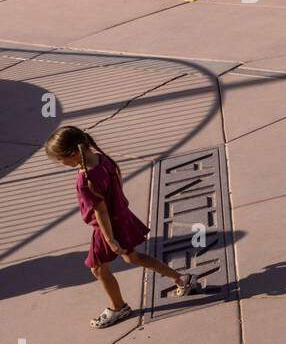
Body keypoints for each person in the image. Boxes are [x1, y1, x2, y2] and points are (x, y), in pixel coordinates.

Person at [45, 126, 194, 329]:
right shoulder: (102, 159)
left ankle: (118, 307)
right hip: (122, 216)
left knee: (97, 268)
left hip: (107, 228)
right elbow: (117, 186)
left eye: (60, 160)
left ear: (72, 154)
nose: (61, 164)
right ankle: (181, 279)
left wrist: (109, 239)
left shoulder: (85, 179)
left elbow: (100, 211)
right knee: (133, 257)